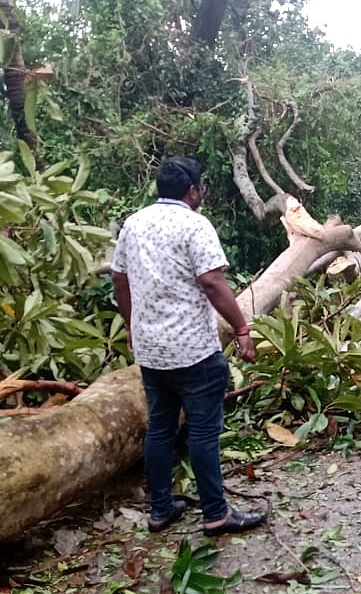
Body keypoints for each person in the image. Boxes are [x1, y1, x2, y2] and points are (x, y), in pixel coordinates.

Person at [111, 157, 267, 536]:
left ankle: (160, 509)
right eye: (202, 188)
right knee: (202, 431)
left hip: (151, 350)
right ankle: (216, 513)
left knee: (160, 428)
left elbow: (119, 278)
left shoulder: (133, 224)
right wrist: (241, 328)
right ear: (193, 190)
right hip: (193, 350)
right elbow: (213, 282)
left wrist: (132, 324)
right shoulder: (195, 225)